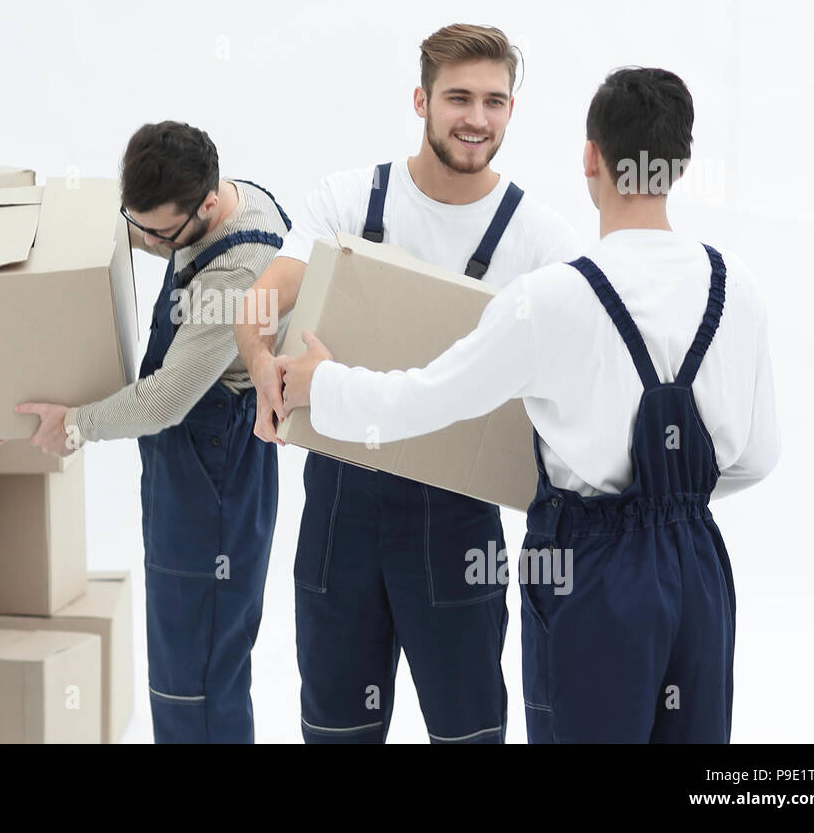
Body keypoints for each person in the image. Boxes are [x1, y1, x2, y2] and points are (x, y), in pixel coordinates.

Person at [279, 66, 781, 743]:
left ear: (591, 157)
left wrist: (324, 386)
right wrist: (670, 509)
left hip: (592, 570)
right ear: (681, 164)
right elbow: (757, 459)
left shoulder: (551, 298)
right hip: (698, 568)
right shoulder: (736, 285)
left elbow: (429, 399)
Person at [236, 23, 583, 743]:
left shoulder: (540, 239)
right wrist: (264, 370)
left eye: (494, 101)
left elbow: (580, 367)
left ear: (512, 110)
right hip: (342, 507)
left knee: (467, 729)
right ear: (421, 101)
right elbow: (262, 301)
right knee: (335, 726)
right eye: (458, 98)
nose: (476, 119)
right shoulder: (349, 200)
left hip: (459, 518)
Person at [19, 121, 292, 743]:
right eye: (135, 221)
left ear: (208, 203)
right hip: (190, 459)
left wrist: (77, 424)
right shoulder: (218, 197)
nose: (145, 240)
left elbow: (167, 400)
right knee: (187, 659)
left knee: (196, 674)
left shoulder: (237, 273)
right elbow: (144, 229)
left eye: (159, 232)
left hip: (212, 467)